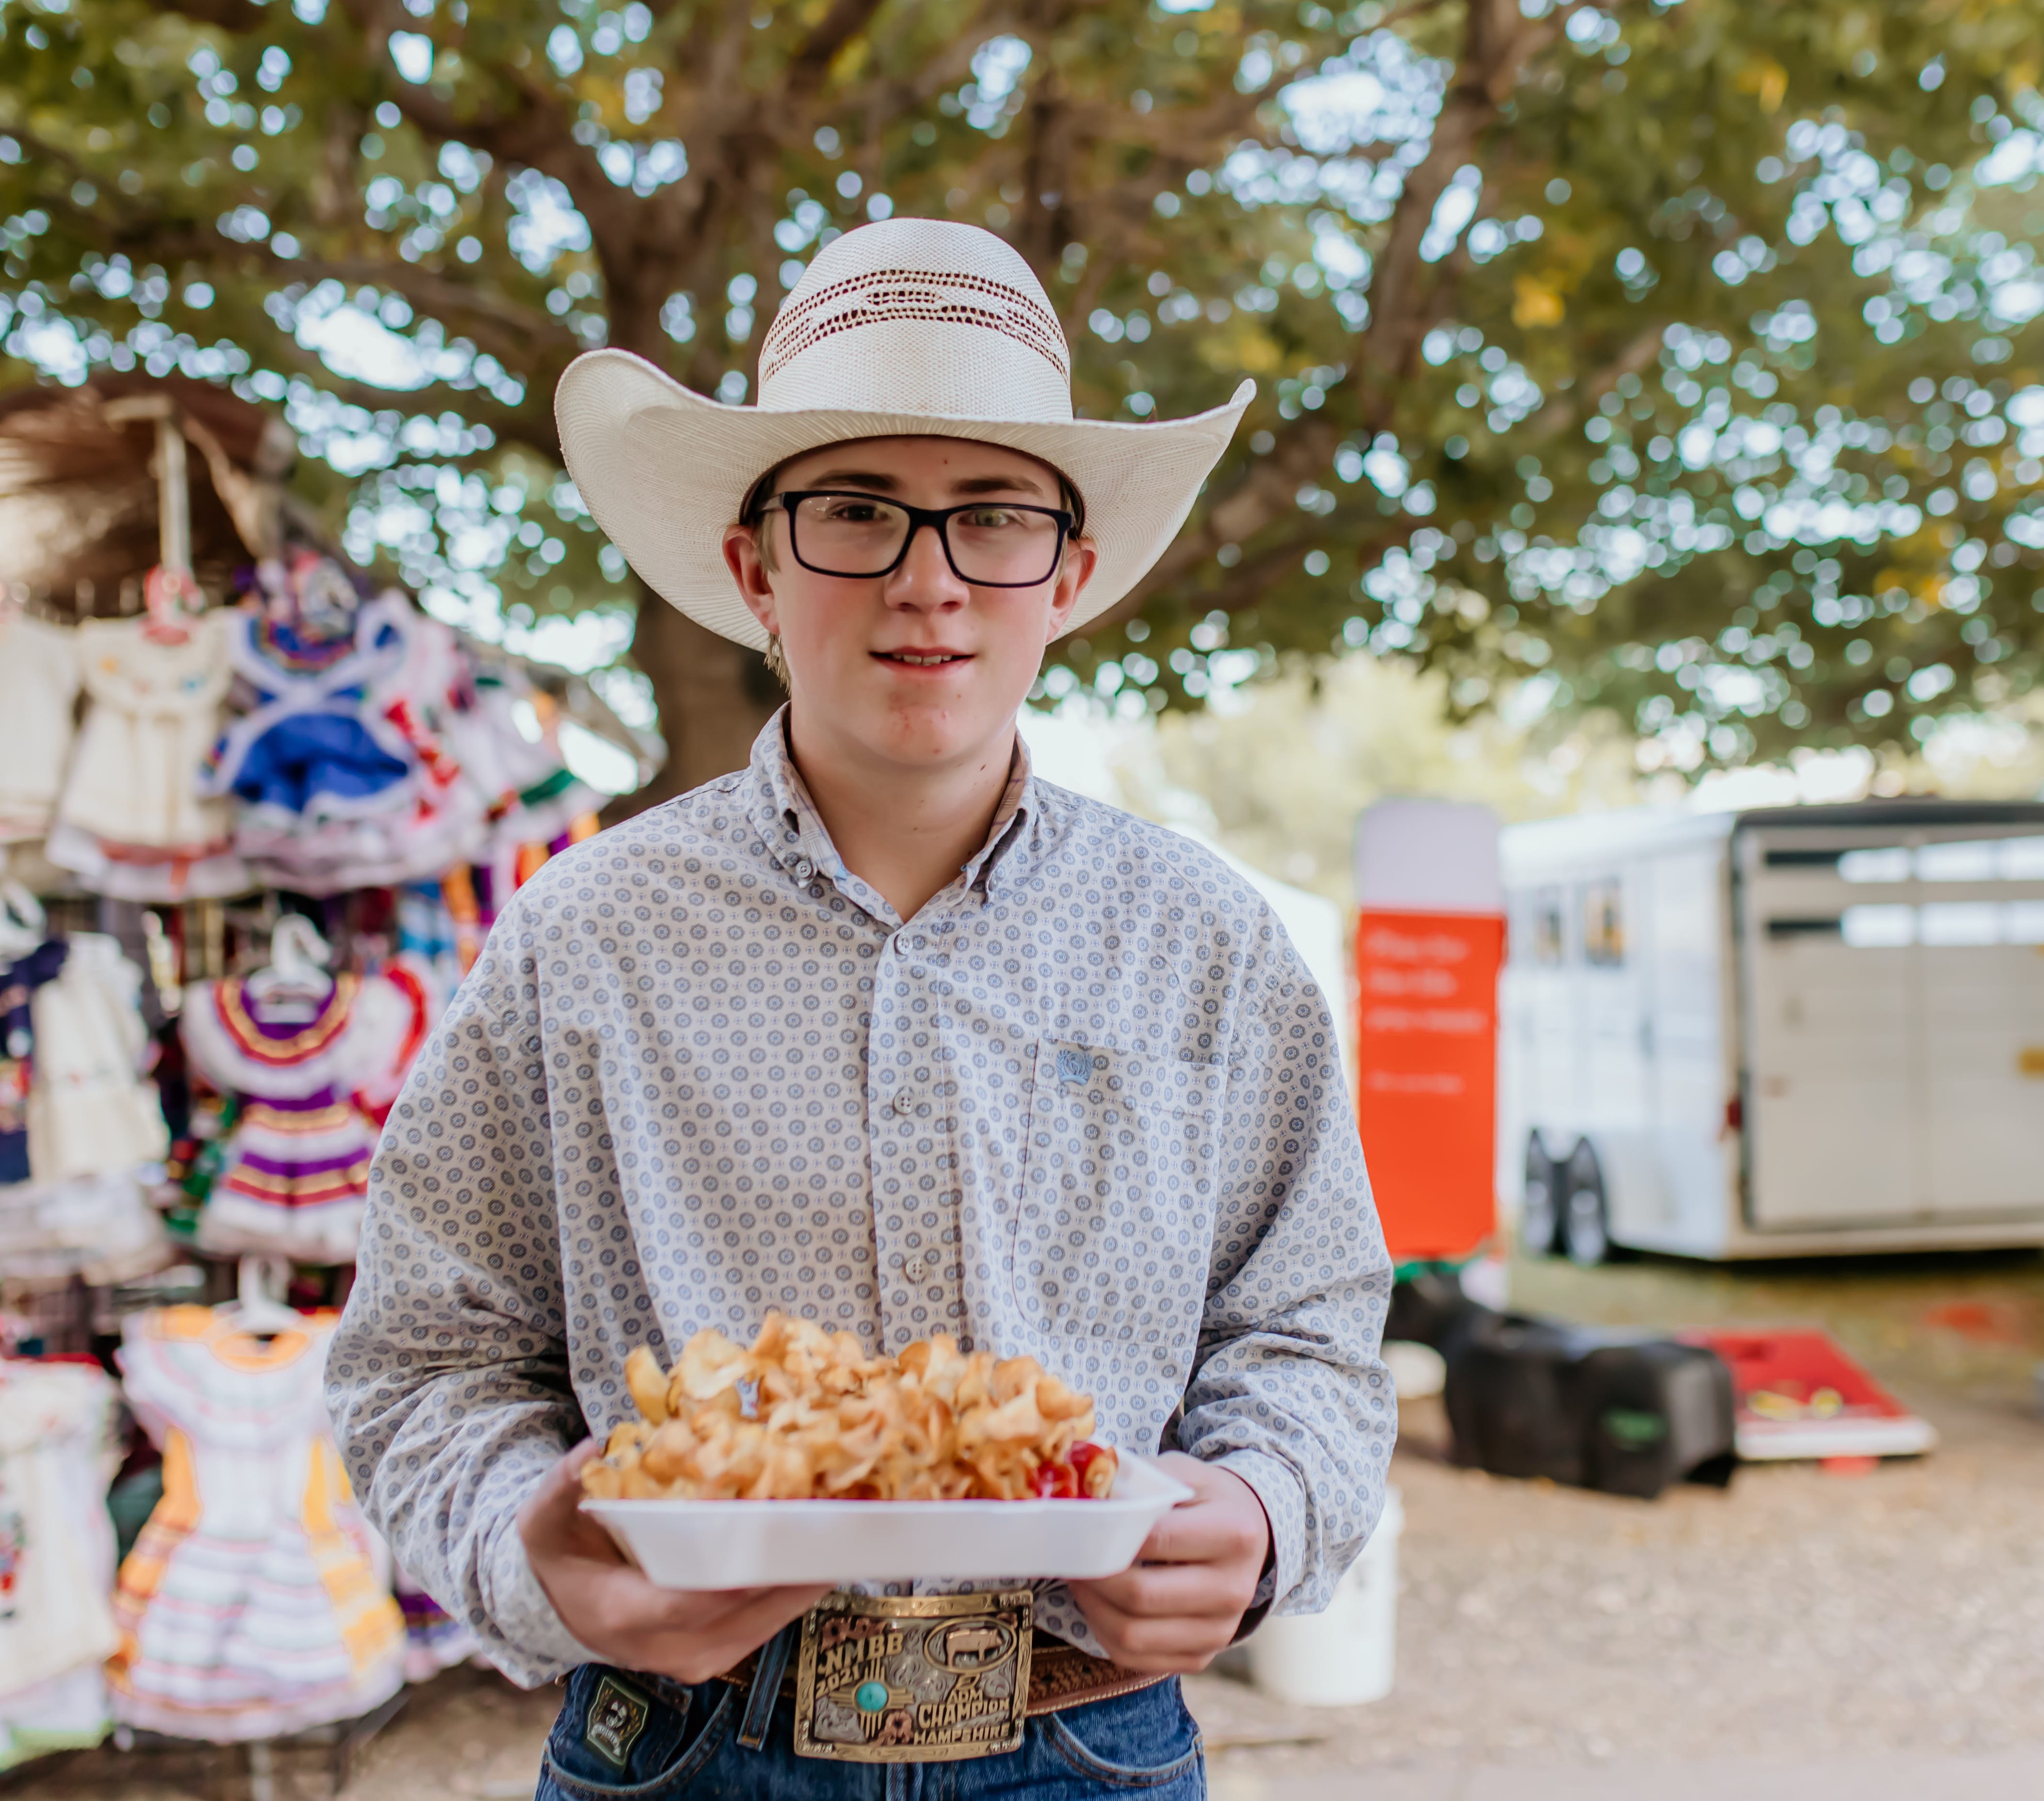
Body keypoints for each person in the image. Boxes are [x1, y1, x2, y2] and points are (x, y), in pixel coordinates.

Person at [326, 218, 1396, 1800]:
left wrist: (1264, 1505)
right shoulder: (579, 943)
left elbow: (1308, 1326)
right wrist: (521, 1544)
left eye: (992, 519)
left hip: (1085, 1743)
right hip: (681, 1751)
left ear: (1071, 572)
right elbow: (423, 1359)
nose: (926, 580)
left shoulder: (1209, 947)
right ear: (754, 562)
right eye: (856, 512)